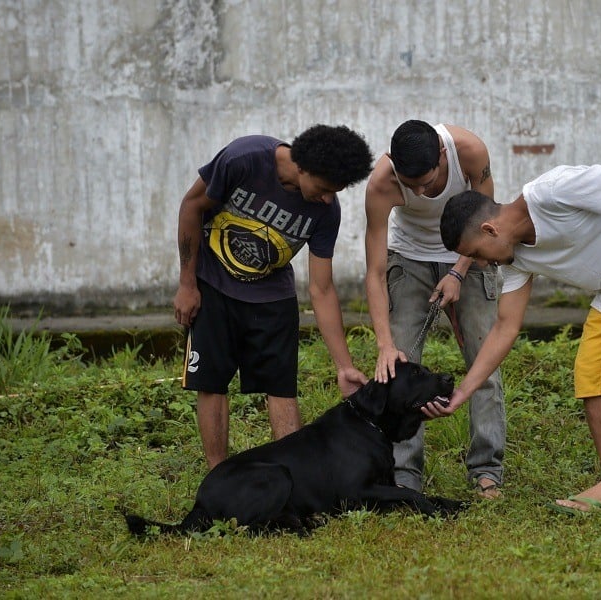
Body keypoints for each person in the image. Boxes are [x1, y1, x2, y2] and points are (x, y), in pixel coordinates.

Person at [427, 162, 601, 513]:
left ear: (489, 229)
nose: (481, 264)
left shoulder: (554, 191)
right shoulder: (516, 258)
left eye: (477, 254)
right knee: (593, 376)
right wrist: (462, 392)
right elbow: (505, 327)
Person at [175, 124, 373, 469]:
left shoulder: (326, 211)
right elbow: (192, 206)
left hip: (272, 296)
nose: (328, 198)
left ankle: (294, 475)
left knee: (282, 387)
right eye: (325, 188)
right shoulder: (244, 159)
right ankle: (218, 474)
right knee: (212, 382)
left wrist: (344, 366)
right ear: (303, 167)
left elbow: (322, 288)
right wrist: (187, 284)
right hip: (213, 285)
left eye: (335, 192)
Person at [364, 120, 506, 498]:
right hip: (408, 259)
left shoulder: (470, 152)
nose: (420, 191)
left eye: (426, 183)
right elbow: (376, 272)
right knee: (398, 367)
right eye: (411, 187)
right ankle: (403, 473)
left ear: (443, 156)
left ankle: (486, 468)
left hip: (470, 255)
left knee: (483, 362)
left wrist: (459, 272)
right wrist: (383, 343)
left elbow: (486, 221)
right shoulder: (382, 183)